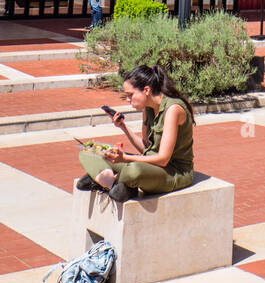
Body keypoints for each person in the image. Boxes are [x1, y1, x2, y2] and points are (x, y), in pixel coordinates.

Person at [76, 63, 195, 203]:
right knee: (88, 152)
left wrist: (125, 158)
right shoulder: (148, 108)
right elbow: (145, 149)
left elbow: (163, 159)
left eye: (130, 95)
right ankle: (119, 185)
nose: (128, 99)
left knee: (134, 171)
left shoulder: (173, 109)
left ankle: (106, 179)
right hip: (151, 166)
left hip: (174, 172)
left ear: (146, 90)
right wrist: (123, 127)